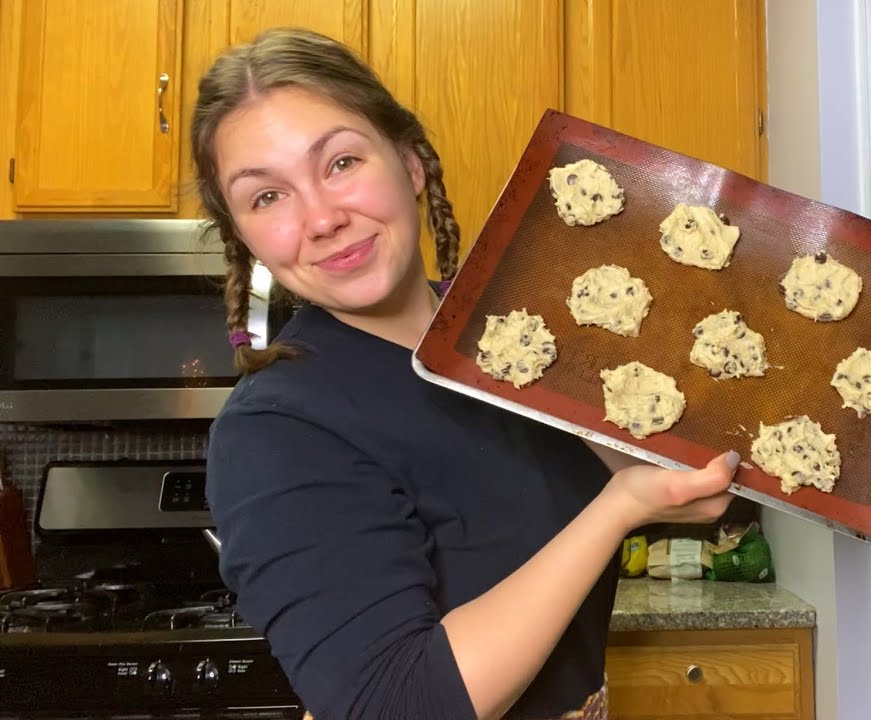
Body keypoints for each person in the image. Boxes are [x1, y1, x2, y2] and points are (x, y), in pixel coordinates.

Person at [195, 27, 740, 720]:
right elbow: (396, 704)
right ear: (244, 235)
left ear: (411, 163)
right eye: (266, 197)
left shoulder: (510, 341)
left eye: (340, 163)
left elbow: (555, 490)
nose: (323, 218)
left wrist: (653, 459)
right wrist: (622, 507)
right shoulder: (277, 431)